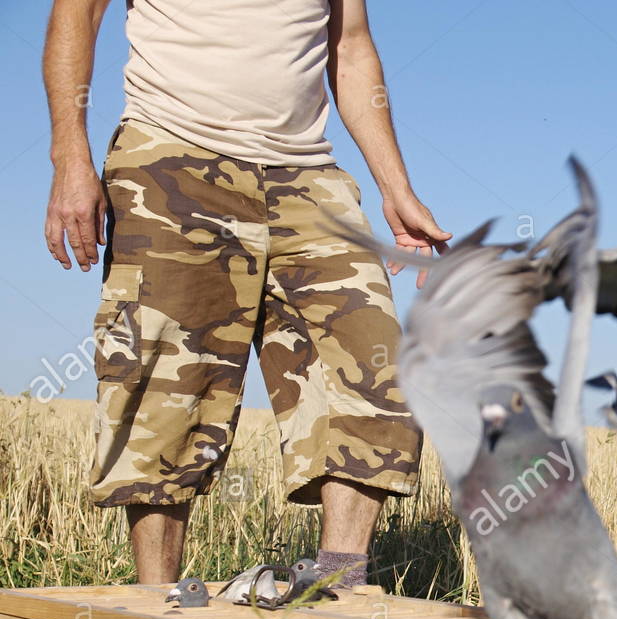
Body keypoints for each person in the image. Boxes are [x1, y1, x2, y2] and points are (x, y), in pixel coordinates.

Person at [42, 0, 450, 587]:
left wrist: (396, 187)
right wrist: (69, 153)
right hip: (172, 153)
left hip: (306, 173)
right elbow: (75, 13)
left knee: (371, 362)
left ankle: (337, 593)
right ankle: (160, 611)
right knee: (165, 385)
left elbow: (350, 45)